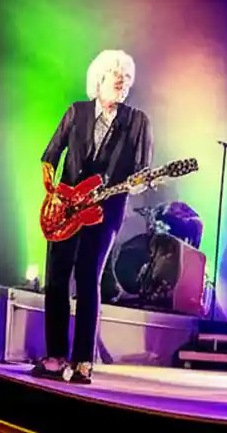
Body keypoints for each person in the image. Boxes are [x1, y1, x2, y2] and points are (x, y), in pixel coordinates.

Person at [31, 50, 154, 384]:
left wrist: (142, 182)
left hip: (105, 209)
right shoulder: (77, 112)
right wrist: (53, 194)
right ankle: (55, 356)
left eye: (127, 78)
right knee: (56, 278)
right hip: (66, 206)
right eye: (116, 75)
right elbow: (50, 156)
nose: (122, 82)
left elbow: (143, 173)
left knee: (88, 277)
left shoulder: (137, 121)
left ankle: (83, 361)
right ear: (98, 78)